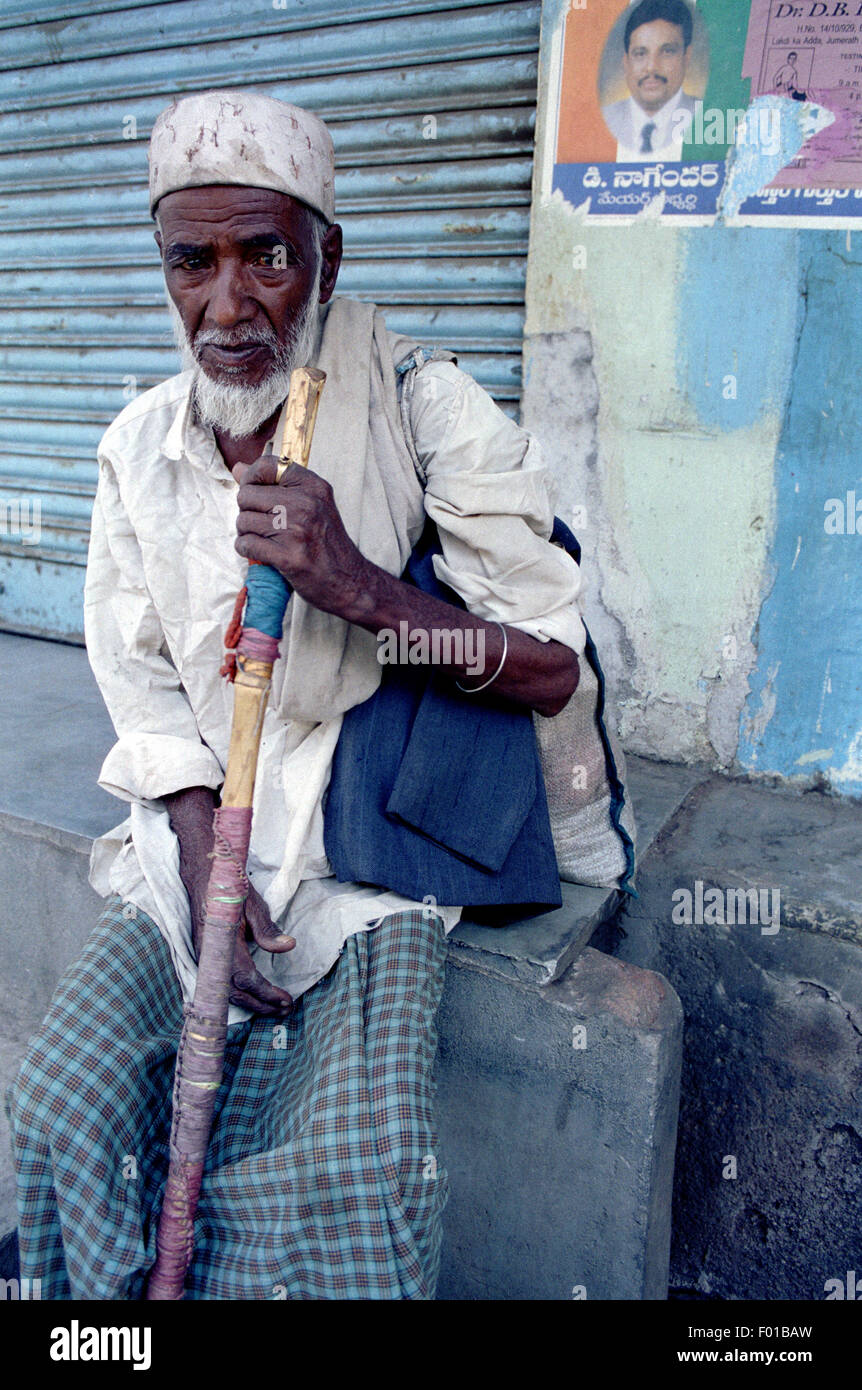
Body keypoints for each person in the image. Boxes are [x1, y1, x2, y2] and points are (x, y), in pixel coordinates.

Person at [7, 89, 587, 1300]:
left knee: (355, 1173)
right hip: (207, 839)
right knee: (63, 1107)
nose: (228, 306)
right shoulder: (139, 445)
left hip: (366, 848)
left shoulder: (424, 405)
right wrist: (191, 829)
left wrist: (359, 585)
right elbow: (139, 674)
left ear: (327, 254)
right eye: (191, 262)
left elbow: (547, 667)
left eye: (265, 254)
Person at [602, 0, 701, 162]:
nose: (652, 67)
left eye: (667, 51)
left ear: (686, 57)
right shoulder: (607, 118)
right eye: (640, 54)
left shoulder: (706, 116)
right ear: (626, 62)